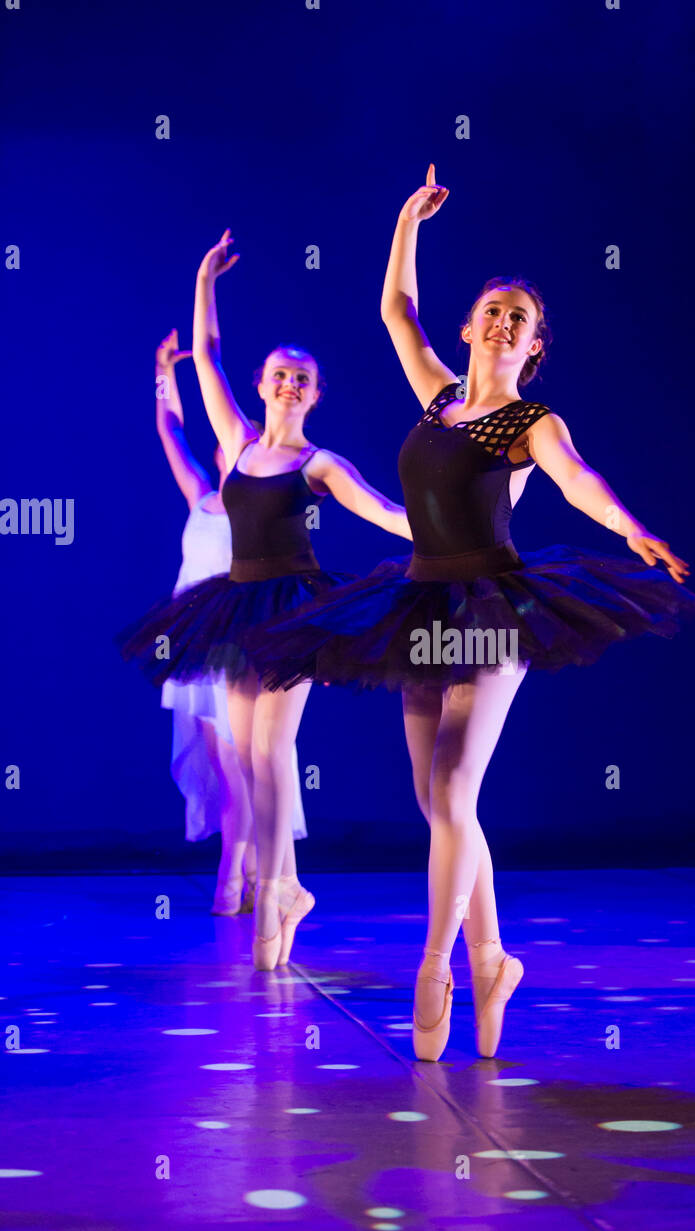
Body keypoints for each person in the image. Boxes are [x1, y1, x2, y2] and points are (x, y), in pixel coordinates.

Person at [250, 167, 695, 1060]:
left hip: (494, 603)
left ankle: (436, 967)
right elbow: (394, 311)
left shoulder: (531, 420)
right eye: (491, 311)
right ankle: (495, 957)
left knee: (455, 791)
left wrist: (633, 527)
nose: (501, 323)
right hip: (416, 598)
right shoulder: (439, 396)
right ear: (471, 328)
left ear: (535, 346)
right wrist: (406, 220)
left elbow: (580, 483)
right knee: (433, 798)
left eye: (518, 319)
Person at [121, 231, 412, 968]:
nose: (289, 384)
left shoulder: (320, 462)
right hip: (235, 605)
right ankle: (285, 886)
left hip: (293, 611)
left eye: (301, 379)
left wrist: (441, 528)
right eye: (280, 374)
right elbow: (208, 356)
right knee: (247, 757)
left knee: (274, 748)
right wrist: (203, 279)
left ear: (315, 395)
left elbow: (380, 510)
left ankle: (280, 886)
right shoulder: (239, 443)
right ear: (264, 383)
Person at [154, 328, 307, 916]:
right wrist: (162, 369)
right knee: (227, 762)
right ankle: (244, 869)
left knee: (249, 759)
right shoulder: (198, 494)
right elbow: (169, 426)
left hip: (246, 637)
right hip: (200, 641)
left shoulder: (262, 497)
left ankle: (239, 877)